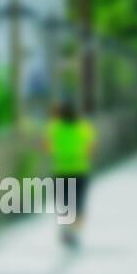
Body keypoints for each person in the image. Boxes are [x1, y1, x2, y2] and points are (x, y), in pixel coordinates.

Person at [45, 100, 96, 248]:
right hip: (80, 170)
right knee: (79, 204)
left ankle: (66, 229)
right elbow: (91, 149)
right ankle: (74, 232)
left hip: (61, 170)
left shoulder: (54, 128)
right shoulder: (84, 127)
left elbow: (47, 147)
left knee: (64, 203)